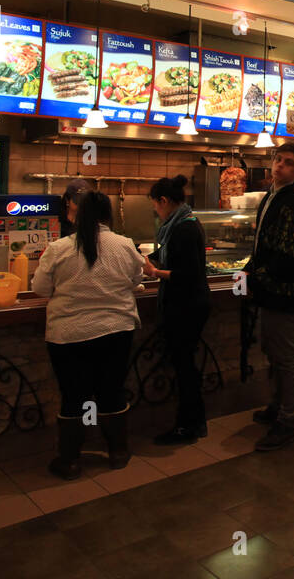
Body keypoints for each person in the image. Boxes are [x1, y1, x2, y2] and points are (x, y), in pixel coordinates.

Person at [32, 190, 145, 479]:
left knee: (74, 395)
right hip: (116, 330)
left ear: (78, 214)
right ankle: (118, 453)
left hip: (69, 335)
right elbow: (136, 280)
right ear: (107, 216)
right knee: (112, 390)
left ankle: (69, 461)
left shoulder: (59, 248)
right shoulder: (124, 244)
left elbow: (40, 289)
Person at [248, 143, 294, 452]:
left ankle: (289, 422)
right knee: (273, 351)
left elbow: (288, 253)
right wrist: (250, 269)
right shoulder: (271, 196)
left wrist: (257, 274)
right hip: (267, 289)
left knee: (287, 358)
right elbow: (262, 242)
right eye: (277, 160)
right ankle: (277, 405)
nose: (279, 166)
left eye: (288, 163)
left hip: (284, 291)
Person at [144, 176, 211, 445]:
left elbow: (188, 274)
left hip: (187, 306)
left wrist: (155, 272)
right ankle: (194, 423)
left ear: (164, 201)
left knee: (184, 367)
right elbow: (171, 257)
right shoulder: (180, 224)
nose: (156, 212)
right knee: (185, 365)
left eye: (156, 206)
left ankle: (187, 427)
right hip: (187, 304)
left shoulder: (184, 228)